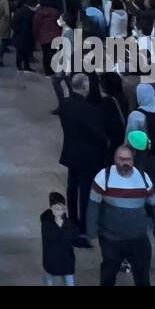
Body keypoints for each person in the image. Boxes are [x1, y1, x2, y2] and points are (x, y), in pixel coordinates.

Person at [86, 143, 155, 286]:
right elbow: (92, 207)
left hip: (138, 239)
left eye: (128, 159)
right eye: (121, 159)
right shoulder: (103, 177)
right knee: (108, 275)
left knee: (143, 277)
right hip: (111, 240)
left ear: (133, 160)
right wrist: (92, 234)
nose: (125, 163)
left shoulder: (143, 178)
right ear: (115, 159)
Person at [57, 74, 110, 247]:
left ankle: (72, 220)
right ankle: (86, 228)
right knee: (86, 192)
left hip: (71, 152)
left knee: (72, 189)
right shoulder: (87, 109)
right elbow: (98, 134)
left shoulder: (65, 104)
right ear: (84, 87)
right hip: (87, 156)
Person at [41, 191, 78, 285]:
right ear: (51, 209)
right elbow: (50, 239)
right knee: (50, 280)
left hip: (66, 261)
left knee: (70, 281)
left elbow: (73, 237)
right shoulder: (46, 224)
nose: (60, 212)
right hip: (52, 260)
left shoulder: (68, 223)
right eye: (57, 209)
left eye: (62, 209)